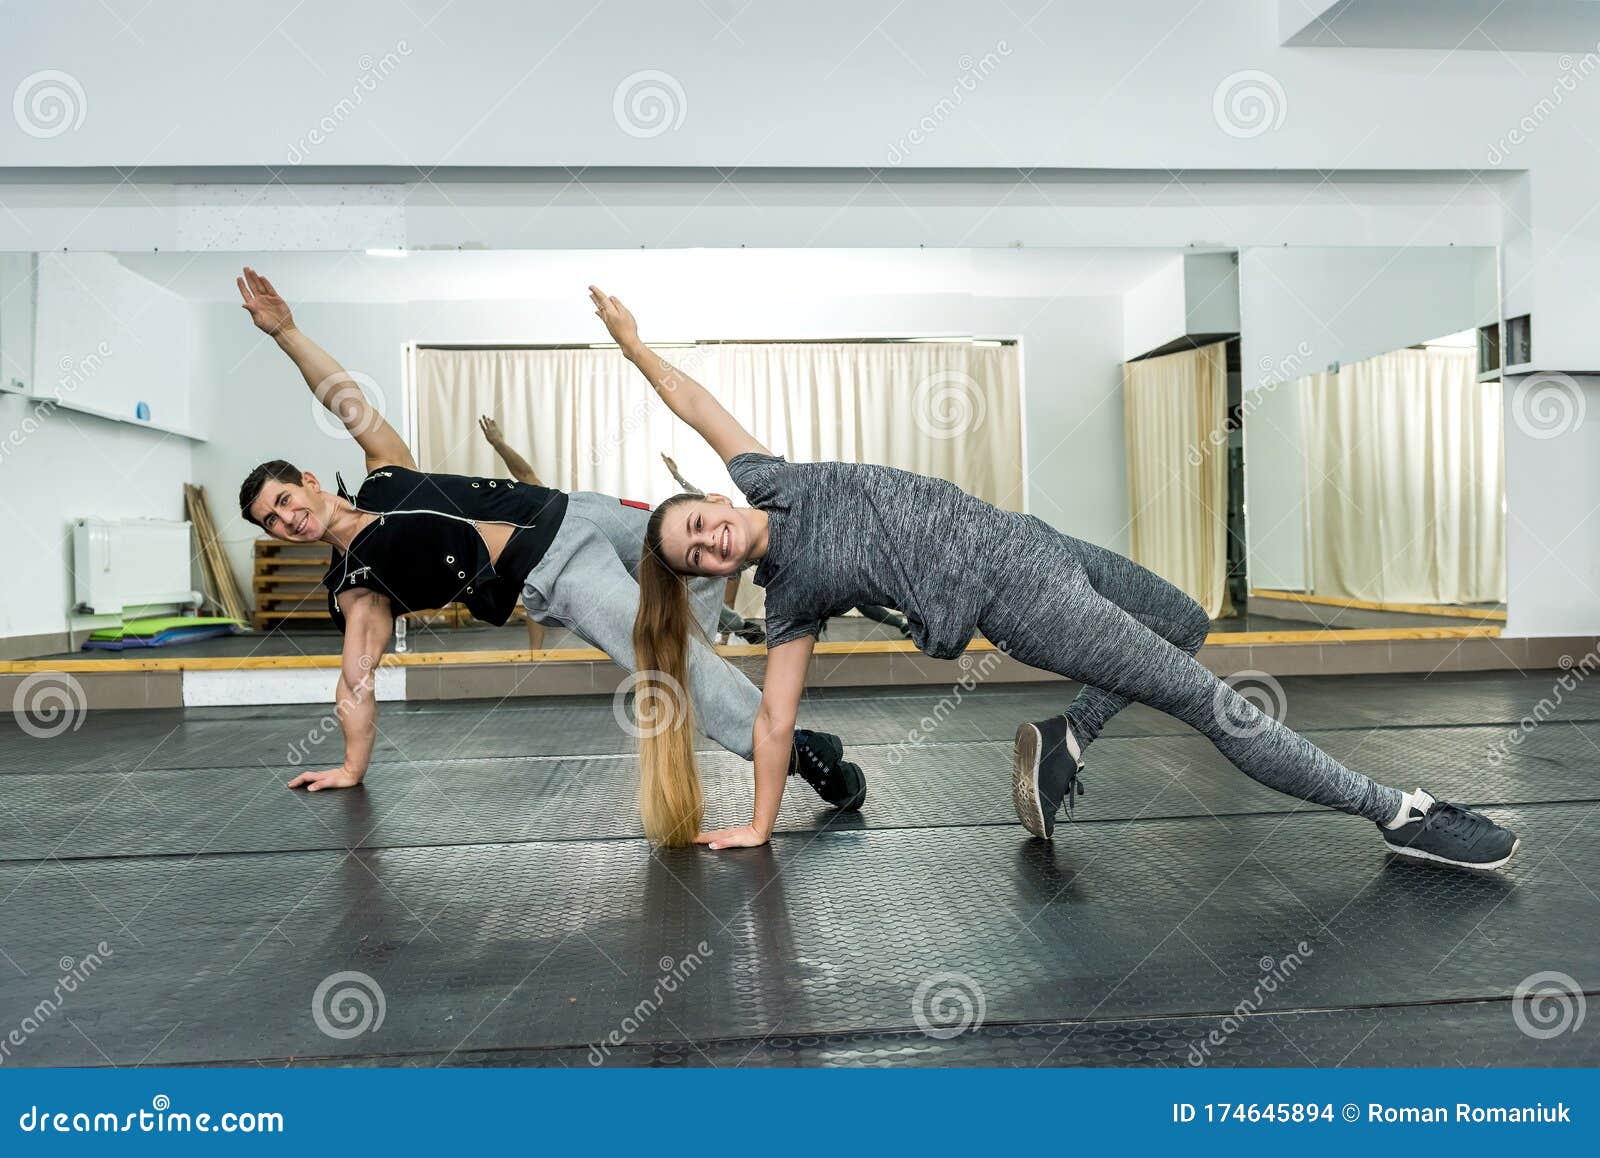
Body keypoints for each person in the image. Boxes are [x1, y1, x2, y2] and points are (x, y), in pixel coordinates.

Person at [590, 284, 1521, 870]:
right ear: (709, 572)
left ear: (712, 498)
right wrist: (758, 826)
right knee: (1210, 702)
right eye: (697, 556)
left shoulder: (763, 474)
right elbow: (776, 720)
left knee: (1185, 619)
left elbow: (697, 398)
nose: (711, 541)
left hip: (1035, 539)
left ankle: (1070, 735)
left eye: (700, 525)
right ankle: (1397, 812)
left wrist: (635, 348)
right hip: (1027, 601)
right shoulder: (790, 597)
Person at [230, 268, 865, 835]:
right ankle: (802, 752)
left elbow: (346, 400)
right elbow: (355, 678)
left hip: (575, 508)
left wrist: (286, 332)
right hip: (557, 569)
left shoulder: (385, 474)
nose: (290, 521)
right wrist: (349, 764)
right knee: (676, 666)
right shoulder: (359, 582)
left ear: (309, 482)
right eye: (275, 524)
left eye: (286, 501)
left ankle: (745, 621)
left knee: (699, 549)